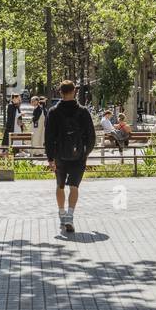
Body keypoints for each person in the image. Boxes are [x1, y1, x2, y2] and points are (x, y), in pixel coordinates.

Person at [44, 80, 95, 233]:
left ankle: (61, 214)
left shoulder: (53, 112)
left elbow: (49, 136)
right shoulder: (83, 111)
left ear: (60, 92)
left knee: (60, 185)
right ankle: (70, 216)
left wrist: (50, 158)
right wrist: (85, 153)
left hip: (60, 155)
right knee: (74, 187)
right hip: (78, 155)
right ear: (74, 91)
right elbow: (91, 136)